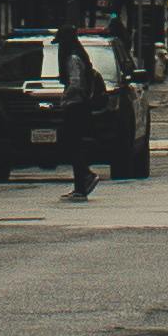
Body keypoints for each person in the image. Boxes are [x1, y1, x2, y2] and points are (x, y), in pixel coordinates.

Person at [55, 19, 110, 204]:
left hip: (75, 106)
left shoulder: (72, 58)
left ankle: (84, 179)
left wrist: (64, 99)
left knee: (73, 145)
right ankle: (82, 182)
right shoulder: (78, 54)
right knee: (73, 145)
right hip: (79, 106)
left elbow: (76, 83)